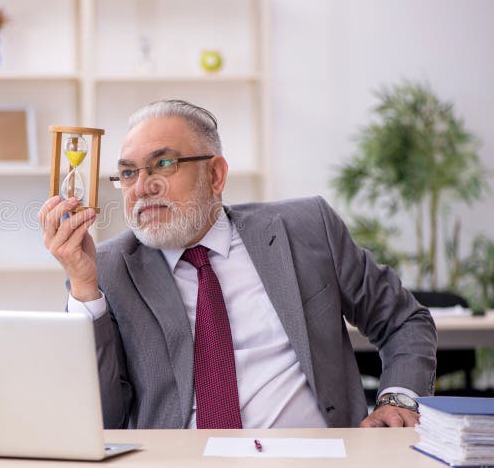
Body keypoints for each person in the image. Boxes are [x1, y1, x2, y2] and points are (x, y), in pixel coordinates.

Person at [39, 99, 437, 429]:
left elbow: (404, 320)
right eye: (128, 173)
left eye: (164, 165)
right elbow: (101, 419)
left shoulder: (307, 229)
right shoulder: (108, 269)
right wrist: (84, 287)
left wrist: (398, 399)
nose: (142, 187)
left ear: (215, 174)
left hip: (315, 458)